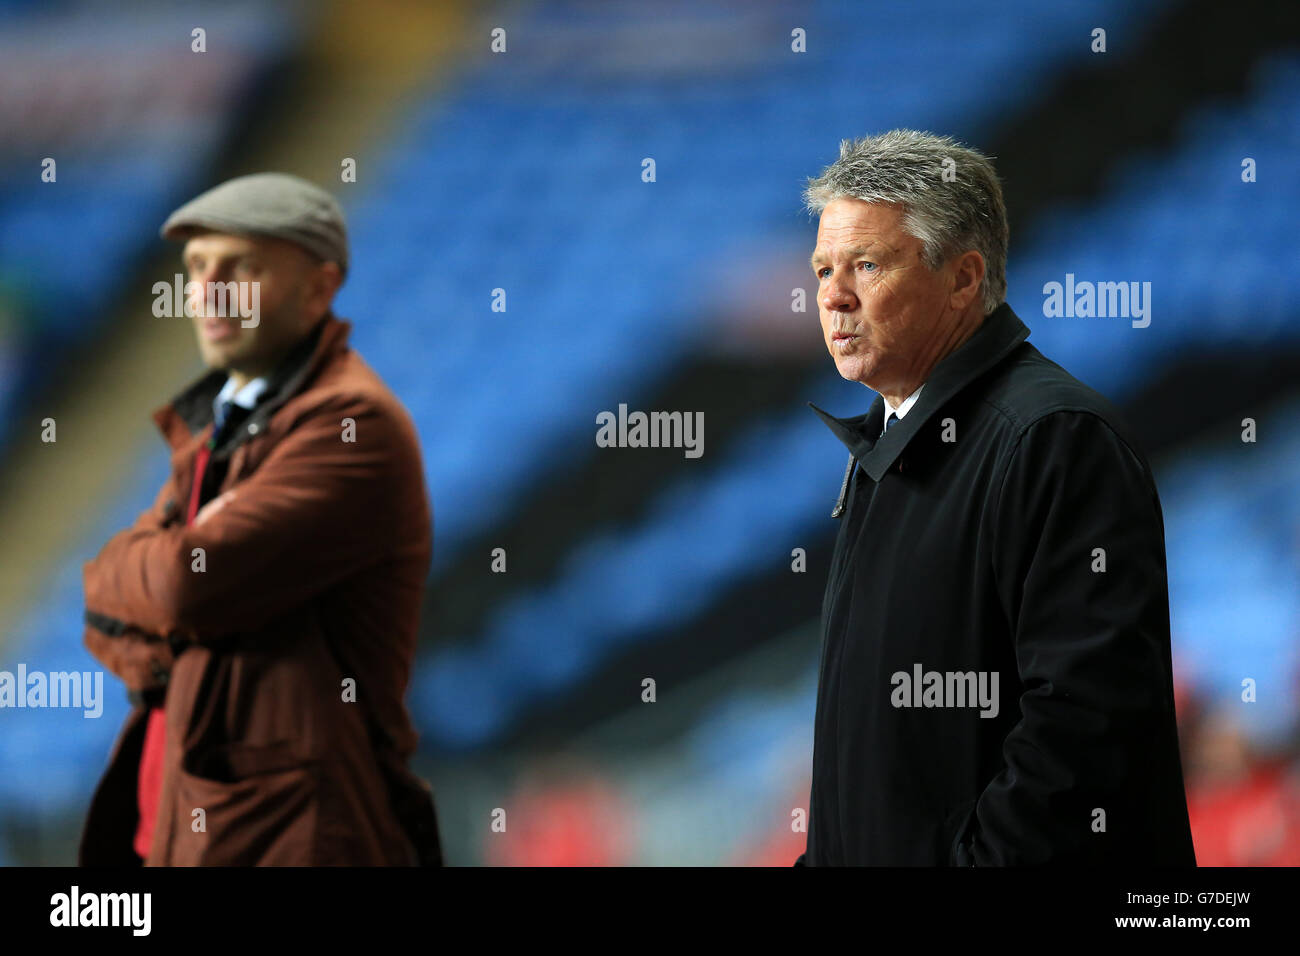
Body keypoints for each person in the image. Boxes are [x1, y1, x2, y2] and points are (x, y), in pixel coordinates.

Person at [797, 130, 1196, 865]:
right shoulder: (887, 446)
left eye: (867, 264)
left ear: (963, 278)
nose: (833, 295)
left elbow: (1083, 732)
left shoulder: (1053, 438)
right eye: (824, 268)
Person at [79, 172, 441, 865]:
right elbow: (102, 601)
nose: (209, 292)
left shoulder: (350, 425)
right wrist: (170, 601)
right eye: (196, 269)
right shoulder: (222, 425)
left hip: (291, 843)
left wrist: (173, 592)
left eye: (240, 268)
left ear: (319, 287)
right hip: (192, 834)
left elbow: (189, 585)